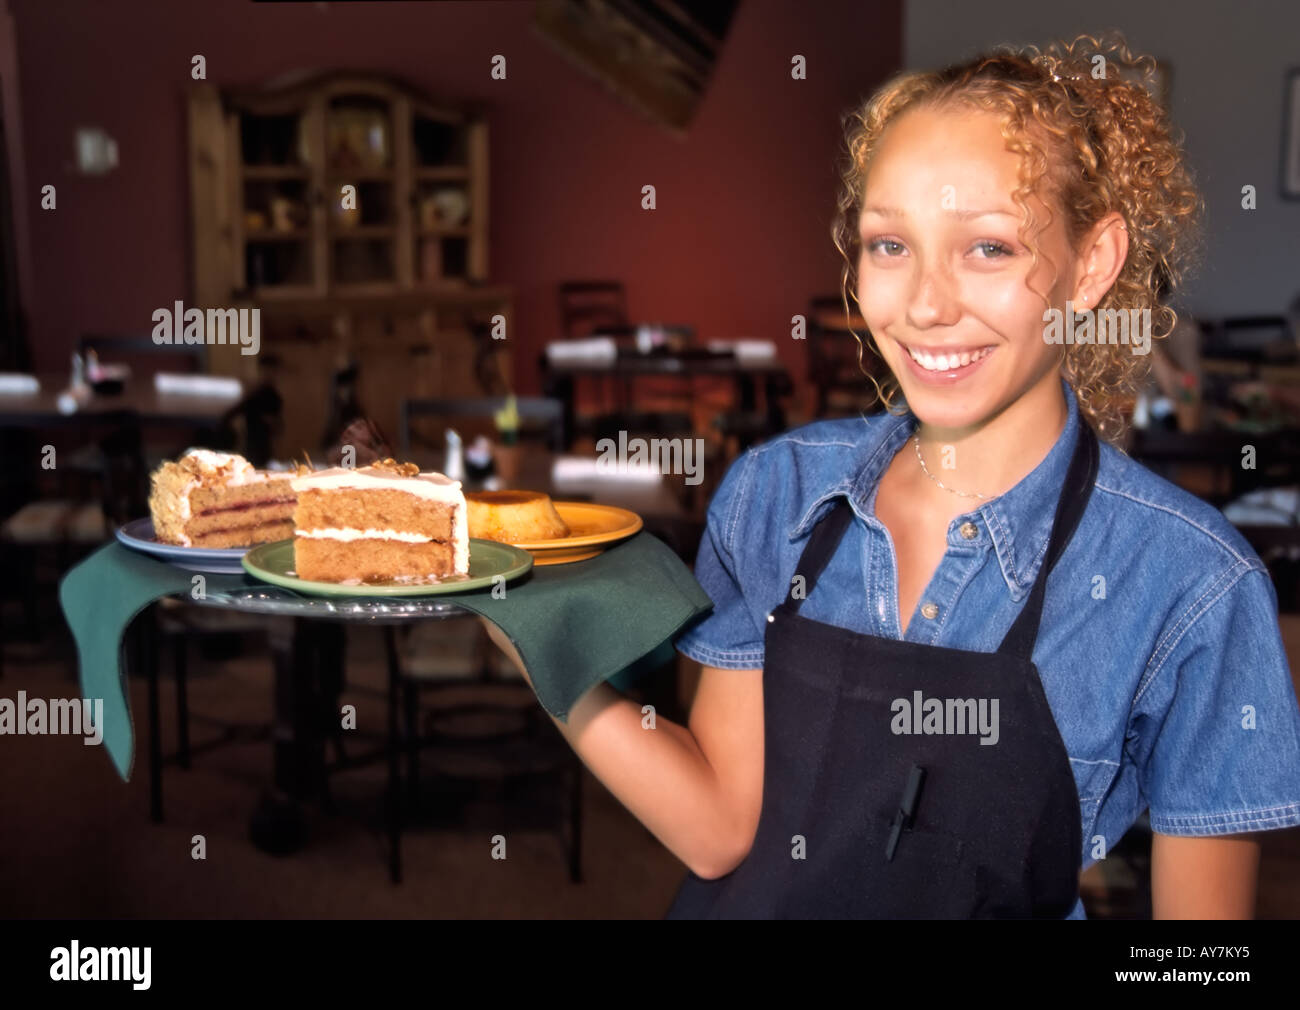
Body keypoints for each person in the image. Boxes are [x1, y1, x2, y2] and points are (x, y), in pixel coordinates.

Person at [483, 34, 1300, 918]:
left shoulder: (1193, 586)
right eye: (889, 246)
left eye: (988, 248)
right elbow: (716, 827)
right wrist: (520, 611)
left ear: (1093, 263)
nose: (923, 306)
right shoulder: (776, 493)